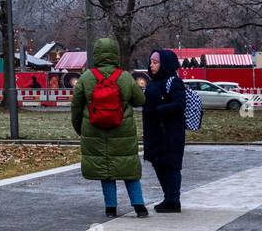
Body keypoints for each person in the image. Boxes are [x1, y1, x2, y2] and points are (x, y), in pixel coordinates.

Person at [70, 37, 148, 217]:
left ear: (96, 54)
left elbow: (76, 107)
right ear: (115, 54)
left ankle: (111, 208)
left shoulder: (87, 77)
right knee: (129, 167)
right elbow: (140, 100)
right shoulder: (125, 77)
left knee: (105, 170)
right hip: (123, 129)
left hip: (94, 129)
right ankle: (139, 206)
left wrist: (80, 128)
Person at [143, 49, 186, 213]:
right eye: (151, 62)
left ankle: (173, 200)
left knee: (171, 166)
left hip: (170, 132)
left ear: (165, 64)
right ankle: (168, 198)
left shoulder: (173, 81)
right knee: (158, 163)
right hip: (155, 132)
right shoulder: (153, 81)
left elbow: (180, 104)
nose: (151, 65)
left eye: (155, 62)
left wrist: (159, 110)